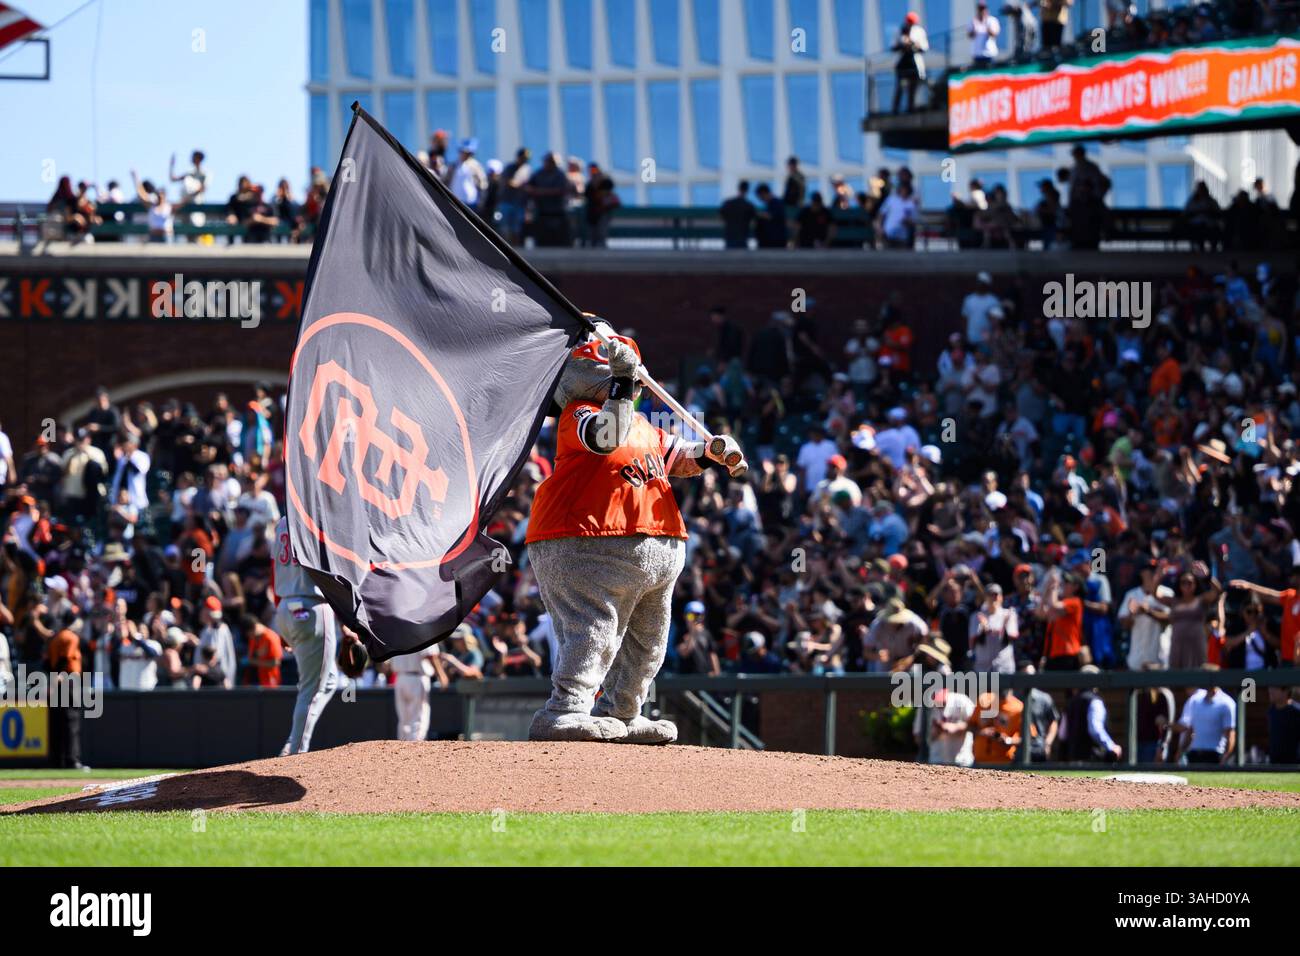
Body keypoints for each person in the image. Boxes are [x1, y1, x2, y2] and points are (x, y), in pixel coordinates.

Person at [524, 321, 746, 743]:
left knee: (648, 641)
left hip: (653, 546)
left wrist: (711, 451)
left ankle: (623, 711)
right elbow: (606, 437)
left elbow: (678, 457)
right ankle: (565, 709)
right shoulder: (578, 414)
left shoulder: (644, 426)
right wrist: (622, 382)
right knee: (593, 631)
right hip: (585, 542)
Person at [271, 516, 340, 754]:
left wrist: (280, 620)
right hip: (312, 606)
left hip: (285, 606)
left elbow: (274, 571)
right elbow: (334, 575)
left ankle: (294, 741)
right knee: (311, 689)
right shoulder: (316, 516)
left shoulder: (281, 522)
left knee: (329, 680)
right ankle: (296, 750)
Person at [390, 637, 440, 741]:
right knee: (418, 716)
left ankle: (402, 746)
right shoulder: (421, 629)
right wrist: (442, 675)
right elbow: (431, 655)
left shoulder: (395, 631)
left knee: (403, 718)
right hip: (417, 677)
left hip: (400, 677)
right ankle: (415, 747)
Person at [1173, 685, 1236, 764]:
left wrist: (1225, 757)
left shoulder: (1226, 703)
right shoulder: (1195, 700)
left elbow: (1230, 733)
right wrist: (1180, 751)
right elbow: (1190, 730)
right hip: (1195, 753)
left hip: (1215, 754)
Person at [892, 11, 929, 114]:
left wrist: (914, 44)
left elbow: (924, 48)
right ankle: (896, 109)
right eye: (909, 22)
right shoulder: (899, 31)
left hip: (914, 63)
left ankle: (911, 108)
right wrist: (903, 45)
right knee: (900, 86)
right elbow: (893, 47)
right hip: (902, 63)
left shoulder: (919, 31)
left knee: (913, 87)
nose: (910, 24)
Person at [449, 138, 488, 210]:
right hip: (455, 200)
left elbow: (482, 183)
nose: (464, 154)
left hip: (470, 202)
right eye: (462, 152)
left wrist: (481, 200)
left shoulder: (475, 165)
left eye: (467, 153)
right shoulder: (454, 165)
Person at [1266, 686, 1300, 764]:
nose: (1270, 691)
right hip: (1274, 762)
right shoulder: (1271, 711)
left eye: (1274, 688)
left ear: (1286, 691)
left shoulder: (1296, 713)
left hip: (1293, 764)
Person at [719, 180, 756, 249]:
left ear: (738, 188)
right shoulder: (749, 205)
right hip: (742, 236)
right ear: (747, 190)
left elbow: (721, 215)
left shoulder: (728, 203)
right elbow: (753, 220)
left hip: (730, 235)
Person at [753, 183, 788, 248]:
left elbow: (771, 216)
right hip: (768, 241)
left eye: (759, 196)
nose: (760, 199)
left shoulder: (777, 203)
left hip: (776, 241)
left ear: (763, 193)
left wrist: (757, 213)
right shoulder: (768, 205)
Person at [968, 1, 1001, 66]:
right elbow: (970, 36)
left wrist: (985, 24)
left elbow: (994, 34)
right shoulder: (973, 21)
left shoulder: (992, 20)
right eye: (980, 9)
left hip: (989, 53)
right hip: (977, 54)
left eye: (983, 9)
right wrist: (975, 28)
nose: (982, 11)